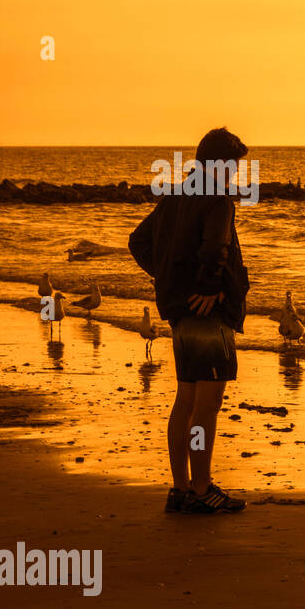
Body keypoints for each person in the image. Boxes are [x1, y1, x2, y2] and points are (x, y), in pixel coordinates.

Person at [128, 127, 250, 514]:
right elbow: (215, 247)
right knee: (207, 403)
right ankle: (200, 490)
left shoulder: (176, 195)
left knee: (186, 399)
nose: (234, 174)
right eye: (232, 166)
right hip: (207, 312)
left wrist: (168, 279)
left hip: (181, 309)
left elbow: (138, 242)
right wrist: (209, 286)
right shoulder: (217, 198)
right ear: (219, 163)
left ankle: (181, 488)